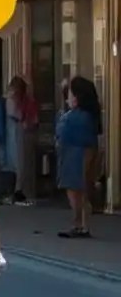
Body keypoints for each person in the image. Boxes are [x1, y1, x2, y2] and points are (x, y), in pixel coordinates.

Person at [57, 76, 102, 239]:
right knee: (83, 189)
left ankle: (77, 223)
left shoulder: (74, 117)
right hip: (84, 152)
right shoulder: (90, 116)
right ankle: (84, 224)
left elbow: (61, 131)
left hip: (73, 153)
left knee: (74, 189)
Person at [5, 76, 36, 205]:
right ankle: (19, 190)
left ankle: (17, 190)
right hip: (21, 132)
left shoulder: (12, 101)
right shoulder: (24, 101)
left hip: (17, 132)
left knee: (17, 161)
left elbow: (15, 114)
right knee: (20, 162)